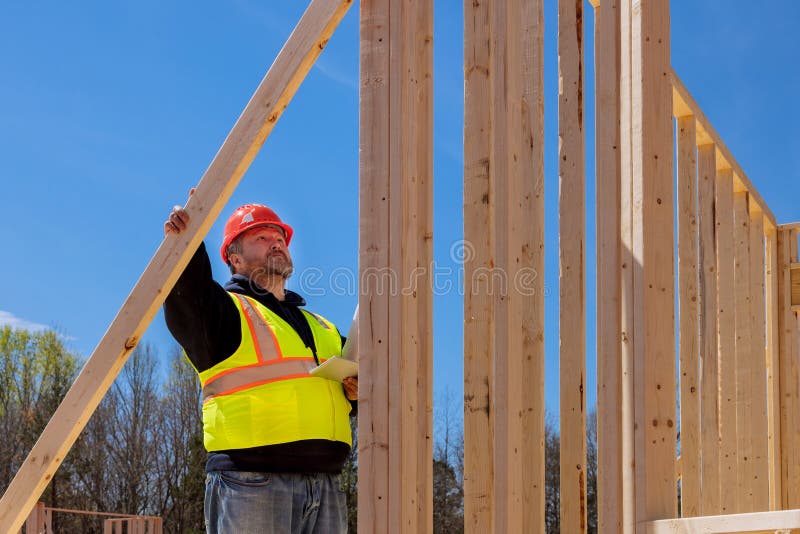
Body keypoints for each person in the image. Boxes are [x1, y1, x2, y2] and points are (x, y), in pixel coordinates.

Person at [163, 200, 357, 534]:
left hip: (325, 481)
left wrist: (355, 393)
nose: (276, 242)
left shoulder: (321, 327)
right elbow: (187, 295)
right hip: (252, 480)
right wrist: (186, 242)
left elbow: (339, 395)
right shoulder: (224, 314)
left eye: (279, 237)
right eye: (261, 238)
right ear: (234, 259)